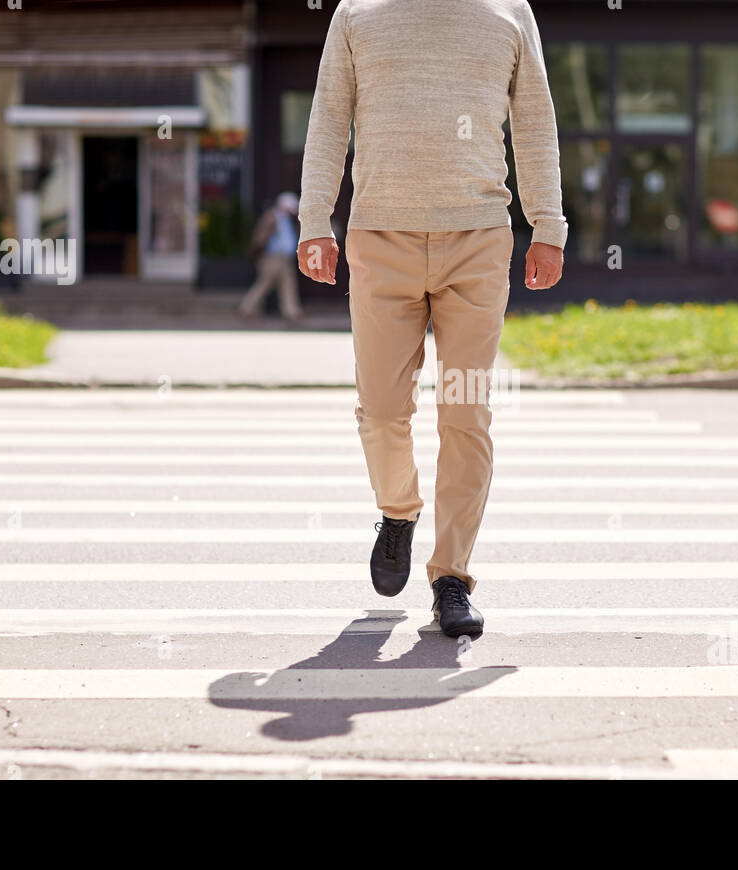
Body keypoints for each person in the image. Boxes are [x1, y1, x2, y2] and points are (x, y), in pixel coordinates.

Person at [296, 0, 566, 637]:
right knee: (383, 410)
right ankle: (398, 511)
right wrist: (315, 221)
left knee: (464, 411)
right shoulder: (357, 13)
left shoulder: (509, 13)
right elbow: (329, 120)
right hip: (379, 239)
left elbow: (534, 124)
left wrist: (547, 225)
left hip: (477, 241)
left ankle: (452, 576)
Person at [239, 192, 304, 321]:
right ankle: (247, 308)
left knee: (288, 284)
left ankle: (291, 311)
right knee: (265, 283)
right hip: (272, 257)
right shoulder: (272, 217)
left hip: (285, 258)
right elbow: (261, 236)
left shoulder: (286, 219)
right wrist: (257, 250)